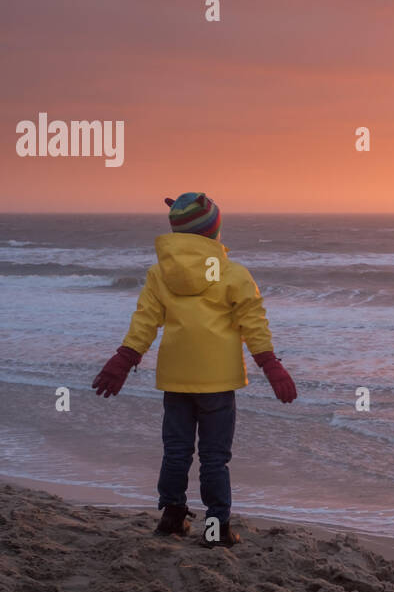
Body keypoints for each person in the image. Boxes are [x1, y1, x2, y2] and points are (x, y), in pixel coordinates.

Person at [91, 192, 296, 547]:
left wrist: (125, 358)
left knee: (176, 451)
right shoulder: (232, 273)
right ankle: (216, 530)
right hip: (217, 383)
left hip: (176, 379)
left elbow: (145, 321)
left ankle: (172, 517)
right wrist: (270, 364)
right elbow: (253, 323)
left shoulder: (160, 273)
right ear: (214, 232)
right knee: (215, 458)